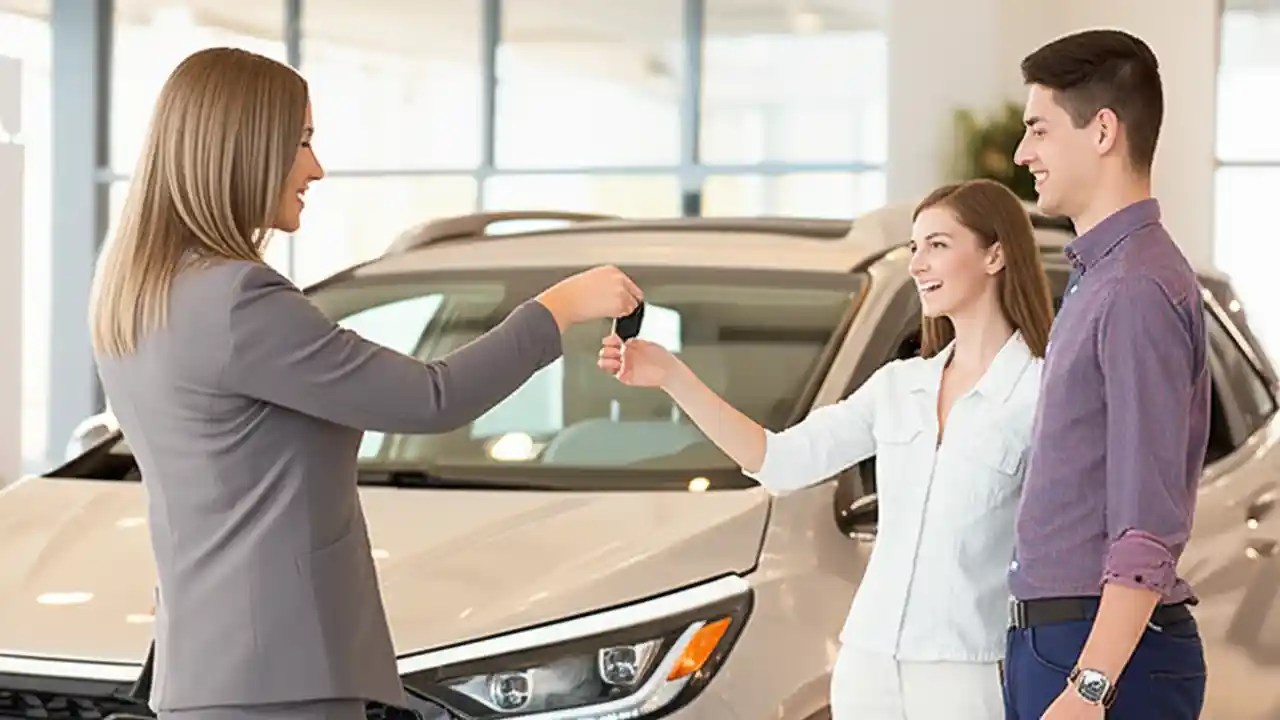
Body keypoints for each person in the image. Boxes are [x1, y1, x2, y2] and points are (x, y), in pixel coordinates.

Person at [88, 47, 643, 720]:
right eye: (302, 142)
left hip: (208, 670)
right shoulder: (239, 299)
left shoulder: (141, 296)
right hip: (282, 680)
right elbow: (430, 396)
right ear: (245, 148)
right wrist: (558, 309)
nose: (315, 169)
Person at [598, 178, 1055, 719]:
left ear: (995, 254)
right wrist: (672, 376)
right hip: (868, 664)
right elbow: (781, 462)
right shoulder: (899, 387)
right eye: (914, 248)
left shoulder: (1040, 393)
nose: (918, 265)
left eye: (938, 244)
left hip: (970, 669)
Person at [1005, 29, 1210, 720]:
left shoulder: (1134, 289)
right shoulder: (1100, 277)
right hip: (1067, 642)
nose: (1021, 153)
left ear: (1101, 131)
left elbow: (1145, 521)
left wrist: (1091, 684)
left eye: (1037, 128)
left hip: (1100, 655)